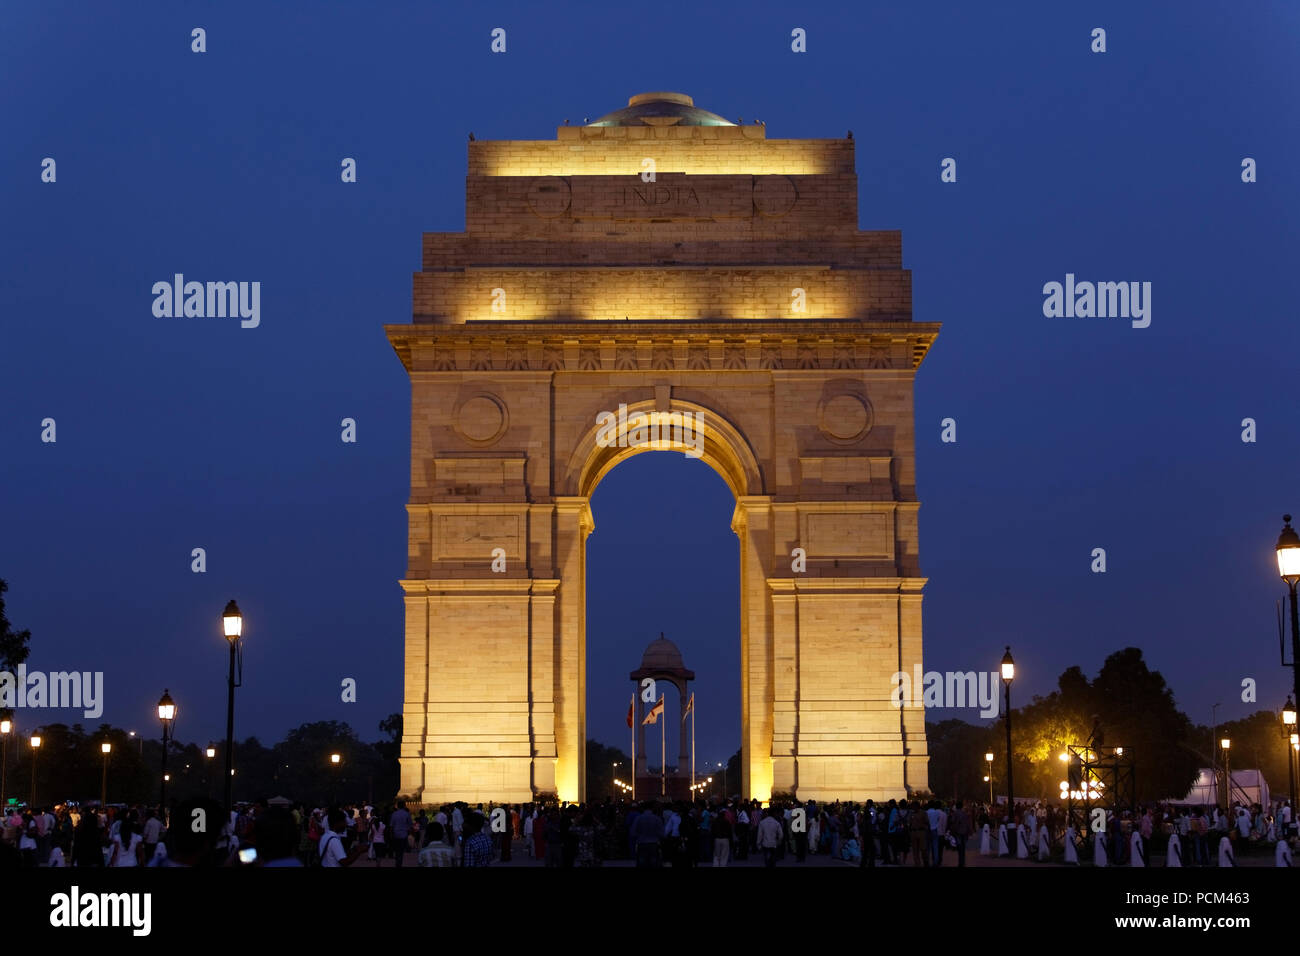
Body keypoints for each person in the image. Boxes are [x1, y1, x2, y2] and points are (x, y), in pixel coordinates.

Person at [632, 802, 665, 868]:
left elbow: (633, 832)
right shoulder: (657, 818)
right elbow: (662, 833)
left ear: (643, 808)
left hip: (641, 842)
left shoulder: (639, 818)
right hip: (654, 843)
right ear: (652, 808)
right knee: (654, 862)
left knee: (642, 862)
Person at [389, 801, 413, 868]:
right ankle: (399, 863)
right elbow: (410, 825)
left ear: (398, 806)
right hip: (403, 834)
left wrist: (391, 834)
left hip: (395, 834)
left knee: (397, 850)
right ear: (404, 806)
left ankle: (397, 862)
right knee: (401, 851)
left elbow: (391, 825)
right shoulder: (407, 814)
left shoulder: (394, 814)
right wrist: (410, 832)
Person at [948, 801, 970, 867]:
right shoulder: (964, 813)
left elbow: (952, 822)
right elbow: (967, 823)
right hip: (964, 832)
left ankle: (960, 863)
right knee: (963, 849)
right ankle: (963, 862)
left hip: (958, 833)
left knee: (959, 848)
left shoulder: (955, 813)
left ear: (956, 806)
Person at [908, 800, 930, 867]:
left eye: (914, 806)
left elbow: (927, 822)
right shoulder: (911, 814)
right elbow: (909, 823)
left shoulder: (923, 813)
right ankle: (917, 864)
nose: (913, 808)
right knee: (915, 850)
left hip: (921, 832)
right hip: (913, 832)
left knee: (923, 849)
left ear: (917, 806)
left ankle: (925, 862)